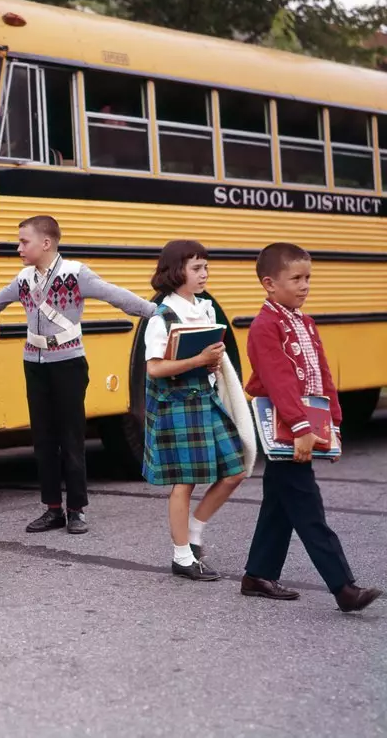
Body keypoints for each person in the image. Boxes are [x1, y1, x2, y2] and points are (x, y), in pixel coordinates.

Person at [0, 215, 156, 534]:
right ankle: (52, 508)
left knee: (71, 436)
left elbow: (115, 295)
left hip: (68, 363)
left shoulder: (75, 273)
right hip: (34, 363)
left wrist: (154, 311)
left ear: (46, 243)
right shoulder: (24, 279)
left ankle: (76, 509)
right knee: (43, 439)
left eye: (24, 242)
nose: (18, 247)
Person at [241, 243, 382, 612]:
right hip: (287, 426)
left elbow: (322, 374)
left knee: (279, 502)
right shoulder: (264, 326)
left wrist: (333, 423)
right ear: (269, 284)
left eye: (308, 278)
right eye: (297, 279)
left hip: (305, 425)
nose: (305, 286)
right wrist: (302, 427)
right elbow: (278, 381)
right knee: (308, 509)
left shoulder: (304, 322)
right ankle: (343, 588)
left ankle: (257, 574)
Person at [143, 240, 250, 581]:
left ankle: (193, 531)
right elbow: (155, 368)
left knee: (236, 469)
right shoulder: (161, 317)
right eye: (196, 268)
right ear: (177, 272)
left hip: (204, 398)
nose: (204, 274)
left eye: (205, 267)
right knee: (184, 483)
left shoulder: (204, 309)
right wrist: (199, 360)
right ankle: (182, 556)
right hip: (176, 405)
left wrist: (210, 365)